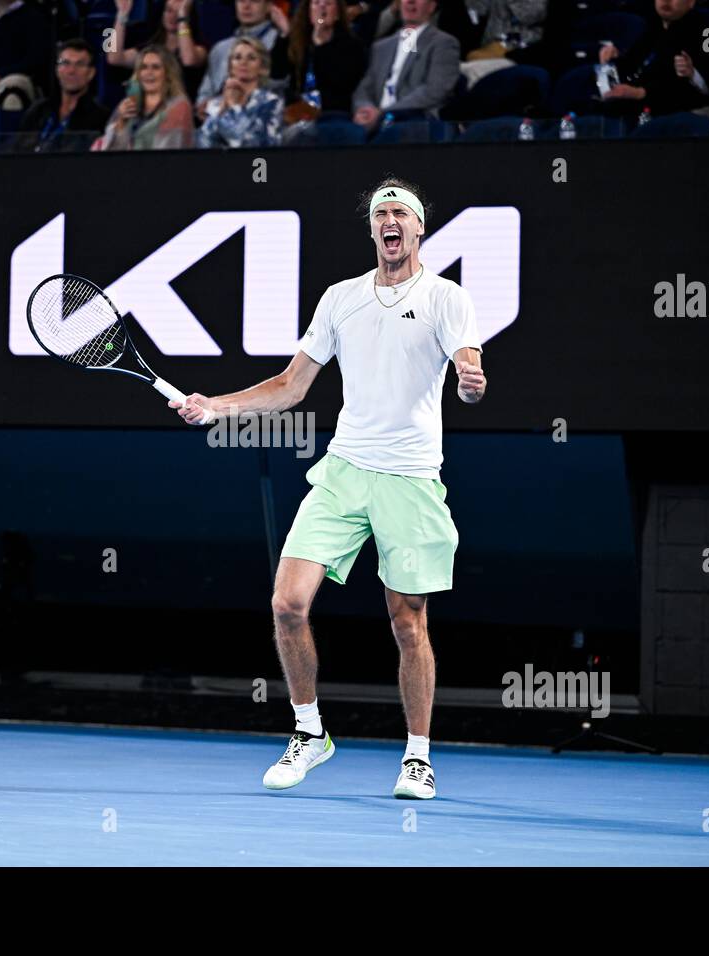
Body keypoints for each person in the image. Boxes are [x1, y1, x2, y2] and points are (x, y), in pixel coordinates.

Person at [170, 177, 487, 800]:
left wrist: (471, 384)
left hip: (411, 478)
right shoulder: (341, 299)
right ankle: (309, 733)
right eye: (380, 213)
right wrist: (217, 406)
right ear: (372, 230)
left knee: (408, 621)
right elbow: (291, 386)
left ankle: (417, 758)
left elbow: (468, 368)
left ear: (419, 228)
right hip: (343, 471)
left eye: (401, 212)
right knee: (287, 603)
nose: (390, 220)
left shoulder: (448, 298)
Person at [600, 0, 709, 117]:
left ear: (691, 2)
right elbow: (633, 62)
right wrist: (615, 56)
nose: (666, 1)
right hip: (639, 104)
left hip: (683, 110)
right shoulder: (653, 24)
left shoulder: (708, 31)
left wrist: (640, 93)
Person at [352, 0, 460, 128]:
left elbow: (435, 90)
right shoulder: (381, 47)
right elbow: (364, 89)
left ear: (431, 6)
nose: (410, 1)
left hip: (414, 120)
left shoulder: (444, 43)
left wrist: (383, 113)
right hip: (376, 122)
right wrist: (365, 109)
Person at [196, 0, 292, 116]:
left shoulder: (280, 42)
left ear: (268, 7)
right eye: (241, 0)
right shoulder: (220, 48)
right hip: (217, 118)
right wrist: (207, 106)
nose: (246, 6)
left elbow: (279, 84)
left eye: (255, 1)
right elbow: (204, 95)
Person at [15, 38, 110, 152]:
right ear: (57, 70)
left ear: (91, 73)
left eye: (79, 64)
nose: (71, 71)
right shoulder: (38, 111)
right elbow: (18, 150)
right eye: (65, 63)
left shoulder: (101, 118)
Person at [94, 43, 194, 150]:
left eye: (156, 67)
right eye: (143, 67)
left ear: (168, 73)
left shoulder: (179, 106)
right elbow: (110, 152)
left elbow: (171, 150)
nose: (148, 73)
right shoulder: (128, 104)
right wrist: (121, 123)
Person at [109, 0, 208, 99]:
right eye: (169, 10)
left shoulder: (199, 48)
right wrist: (121, 15)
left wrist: (182, 20)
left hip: (180, 104)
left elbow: (188, 60)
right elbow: (114, 58)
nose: (173, 16)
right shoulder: (151, 47)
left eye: (178, 12)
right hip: (149, 104)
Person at [198, 36, 283, 146]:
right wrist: (223, 109)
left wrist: (234, 106)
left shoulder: (270, 102)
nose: (243, 62)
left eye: (251, 58)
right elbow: (204, 142)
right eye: (237, 58)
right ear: (230, 67)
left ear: (262, 68)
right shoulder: (215, 104)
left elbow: (250, 143)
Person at [286, 0, 366, 115]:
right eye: (316, 2)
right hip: (298, 112)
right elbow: (281, 76)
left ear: (337, 14)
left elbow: (341, 86)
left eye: (328, 3)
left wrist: (320, 46)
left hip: (334, 113)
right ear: (308, 12)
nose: (322, 6)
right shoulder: (297, 41)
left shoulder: (352, 47)